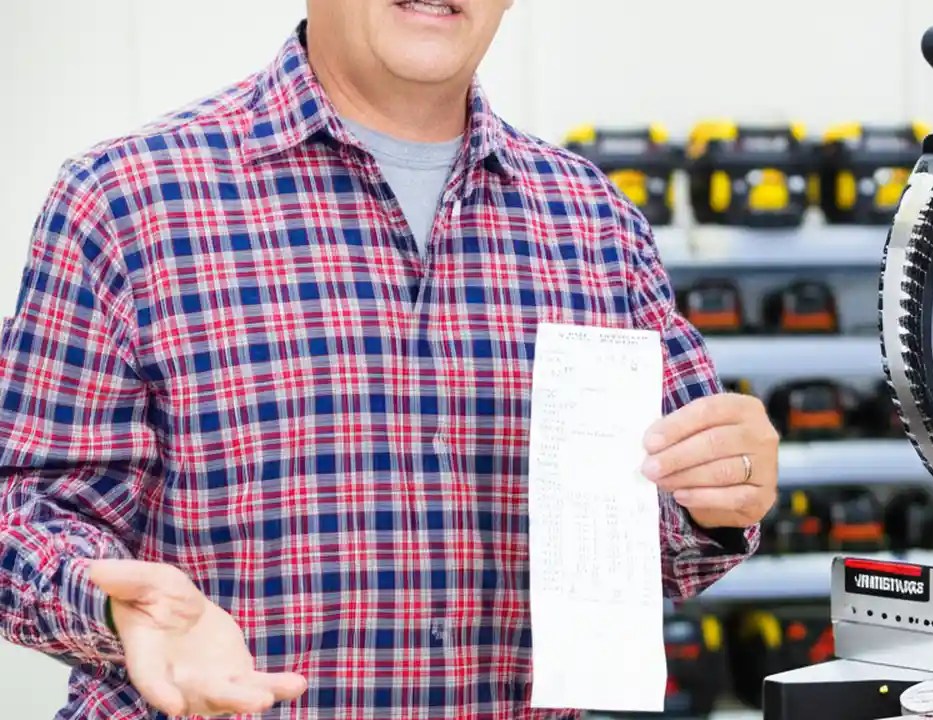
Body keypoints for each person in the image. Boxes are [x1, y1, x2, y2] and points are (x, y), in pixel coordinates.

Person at [0, 1, 780, 718]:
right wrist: (117, 606)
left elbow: (669, 541)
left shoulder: (594, 220)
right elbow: (24, 516)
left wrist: (718, 493)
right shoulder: (127, 201)